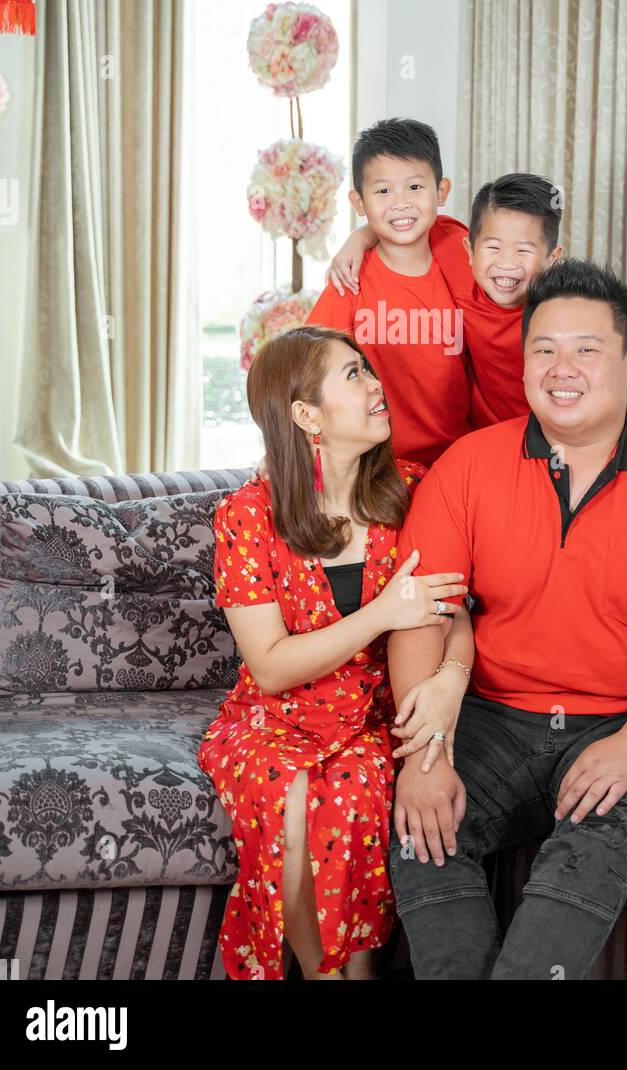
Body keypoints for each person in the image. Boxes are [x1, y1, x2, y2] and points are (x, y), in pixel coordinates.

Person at [385, 258, 627, 980]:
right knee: (419, 826)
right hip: (497, 712)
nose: (564, 368)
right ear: (522, 364)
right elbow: (423, 613)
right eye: (544, 349)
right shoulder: (466, 466)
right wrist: (422, 757)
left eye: (587, 349)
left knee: (593, 838)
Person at [197, 324, 473, 980]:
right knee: (288, 793)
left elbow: (454, 609)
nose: (377, 385)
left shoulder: (413, 492)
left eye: (369, 369)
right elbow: (268, 665)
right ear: (305, 415)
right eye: (353, 375)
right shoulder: (248, 517)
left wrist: (452, 677)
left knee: (350, 799)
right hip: (275, 720)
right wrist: (382, 612)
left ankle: (356, 976)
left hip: (373, 719)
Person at [326, 170, 627, 438]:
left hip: (556, 431)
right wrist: (358, 239)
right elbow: (405, 225)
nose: (506, 264)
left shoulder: (559, 307)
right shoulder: (460, 270)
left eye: (524, 250)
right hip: (487, 438)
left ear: (552, 259)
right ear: (469, 250)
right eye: (494, 247)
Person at [307, 118, 471, 466]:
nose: (400, 203)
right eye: (383, 191)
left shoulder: (462, 258)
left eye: (415, 187)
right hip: (376, 465)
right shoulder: (350, 280)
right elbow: (305, 367)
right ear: (359, 202)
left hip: (456, 458)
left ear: (441, 192)